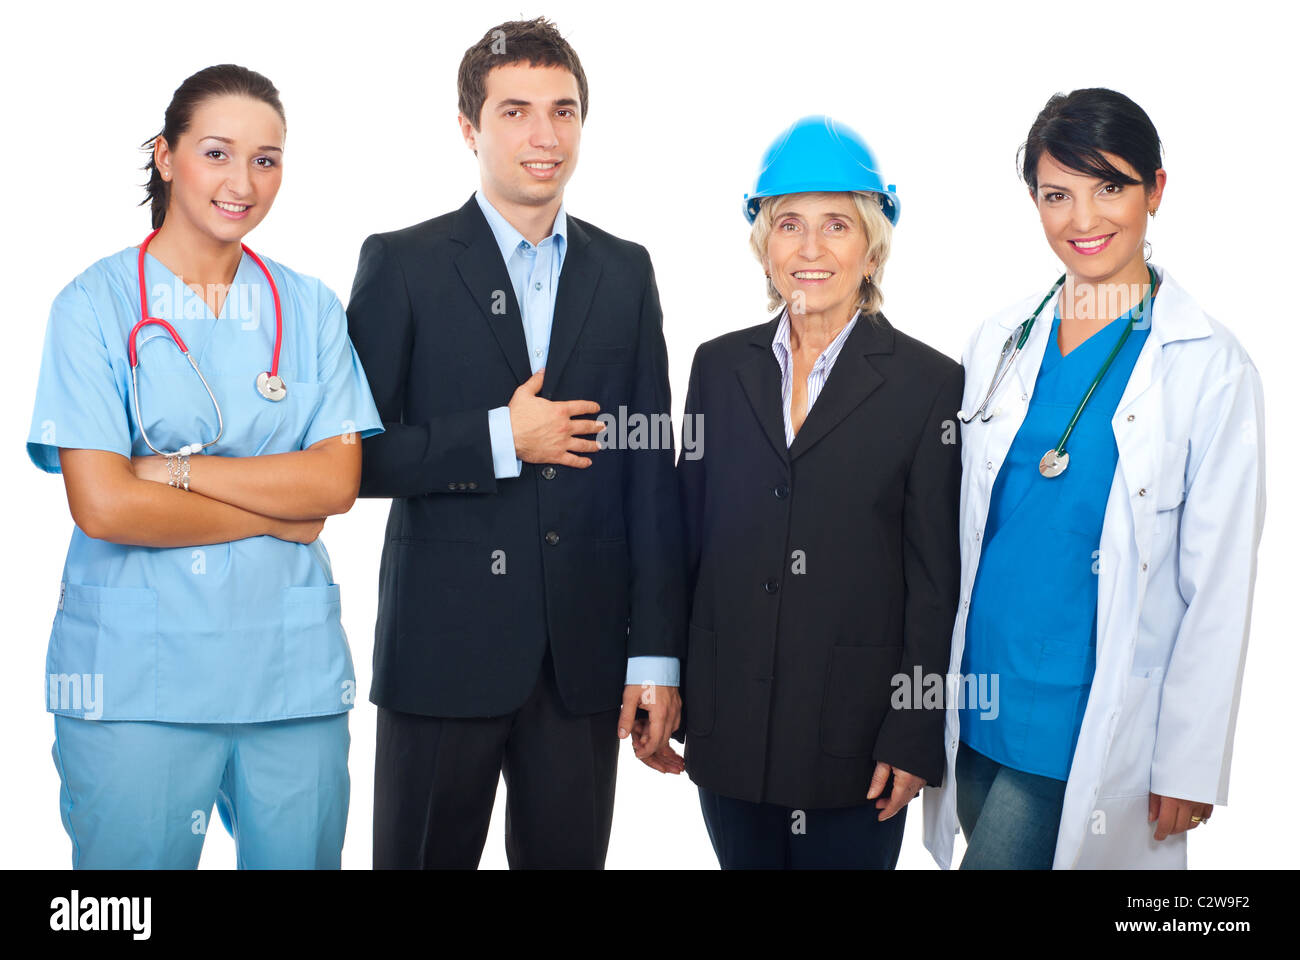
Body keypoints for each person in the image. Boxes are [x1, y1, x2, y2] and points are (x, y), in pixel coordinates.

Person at [346, 18, 686, 869]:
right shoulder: (403, 263)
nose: (545, 136)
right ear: (470, 129)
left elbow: (651, 474)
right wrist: (501, 438)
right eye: (516, 111)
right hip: (441, 656)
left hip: (583, 663)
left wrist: (655, 655)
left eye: (564, 111)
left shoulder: (627, 270)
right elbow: (352, 457)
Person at [26, 64, 383, 869]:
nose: (243, 182)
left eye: (267, 159)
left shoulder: (310, 307)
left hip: (289, 683)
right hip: (135, 686)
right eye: (217, 153)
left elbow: (333, 488)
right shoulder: (94, 306)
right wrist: (280, 508)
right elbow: (106, 508)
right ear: (165, 156)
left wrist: (174, 473)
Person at [923, 88, 1266, 869]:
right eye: (1057, 195)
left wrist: (1191, 758)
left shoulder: (1208, 367)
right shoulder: (999, 339)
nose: (1083, 220)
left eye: (1109, 186)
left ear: (1156, 190)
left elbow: (1218, 582)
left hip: (1088, 711)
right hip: (978, 697)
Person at [652, 116, 962, 869]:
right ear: (763, 242)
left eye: (837, 225)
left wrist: (914, 728)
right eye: (789, 224)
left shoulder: (928, 384)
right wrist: (661, 673)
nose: (812, 249)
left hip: (854, 743)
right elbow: (678, 540)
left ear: (872, 244)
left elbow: (934, 583)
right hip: (729, 730)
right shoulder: (719, 368)